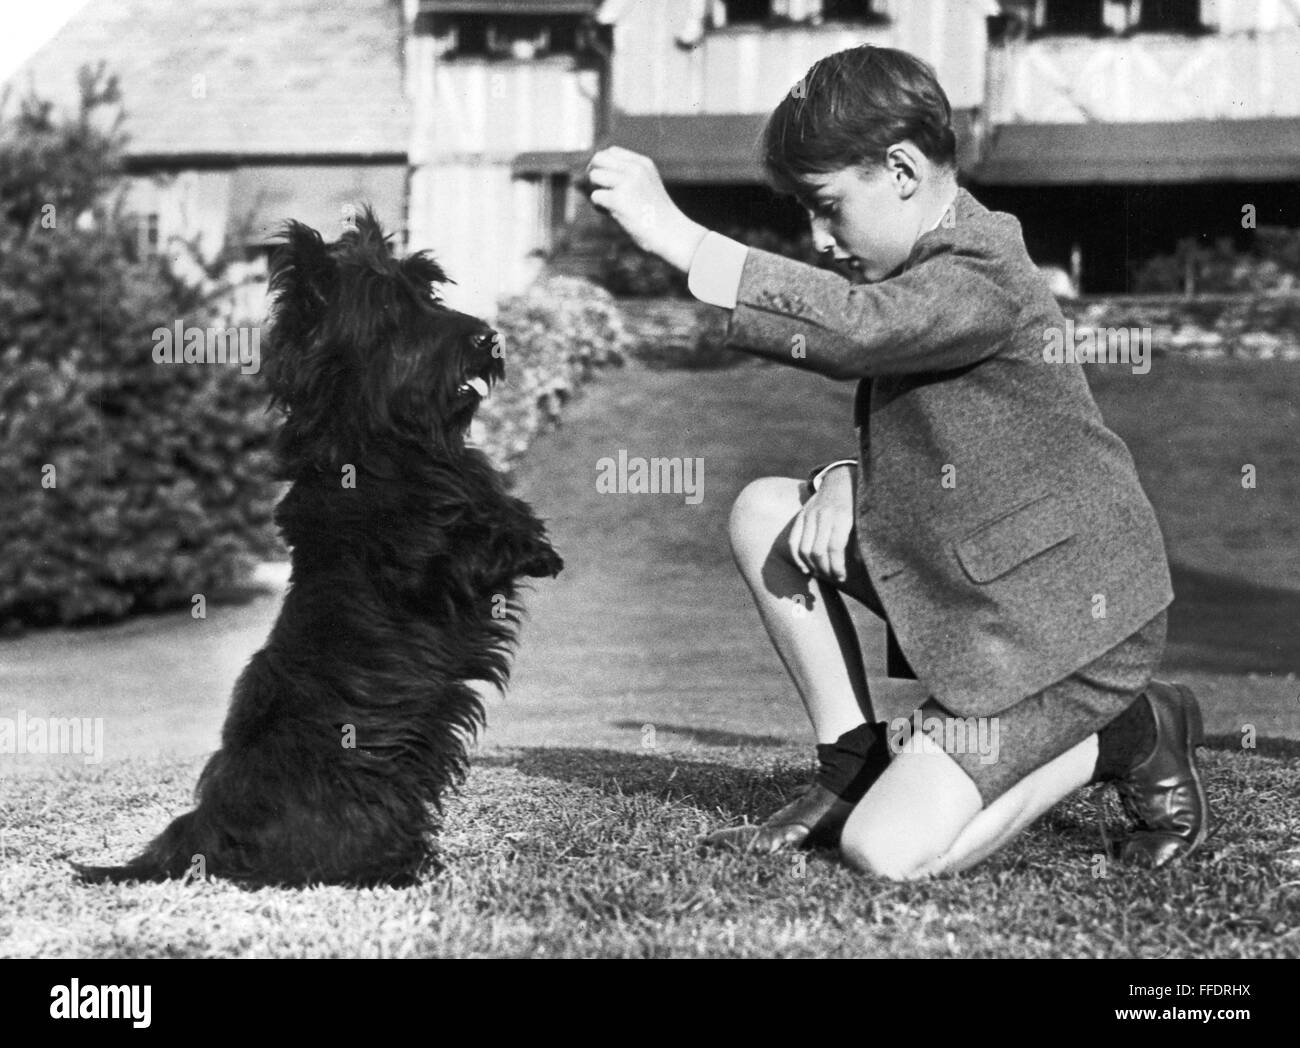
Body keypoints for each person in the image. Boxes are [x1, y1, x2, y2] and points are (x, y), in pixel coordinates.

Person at [582, 45, 1208, 879]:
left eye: (828, 206)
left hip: (1069, 639)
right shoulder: (921, 271)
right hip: (985, 605)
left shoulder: (985, 266)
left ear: (904, 170)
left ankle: (1129, 731)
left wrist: (680, 237)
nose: (818, 236)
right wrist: (848, 476)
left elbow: (858, 330)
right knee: (766, 510)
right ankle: (851, 765)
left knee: (886, 854)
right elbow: (949, 432)